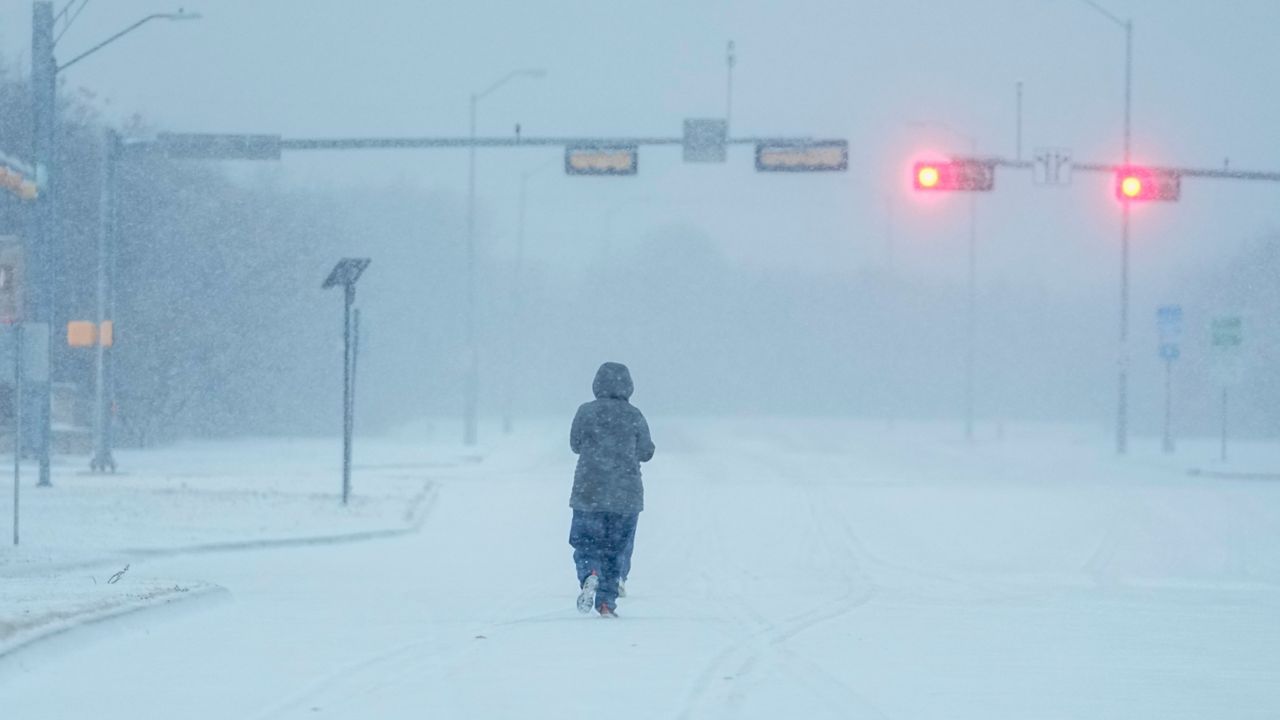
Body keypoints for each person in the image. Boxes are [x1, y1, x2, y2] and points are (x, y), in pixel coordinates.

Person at [568, 362, 655, 617]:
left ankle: (589, 573)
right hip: (625, 496)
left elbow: (575, 444)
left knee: (586, 543)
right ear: (628, 386)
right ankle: (606, 602)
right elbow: (646, 452)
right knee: (615, 549)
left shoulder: (585, 412)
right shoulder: (634, 415)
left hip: (588, 492)